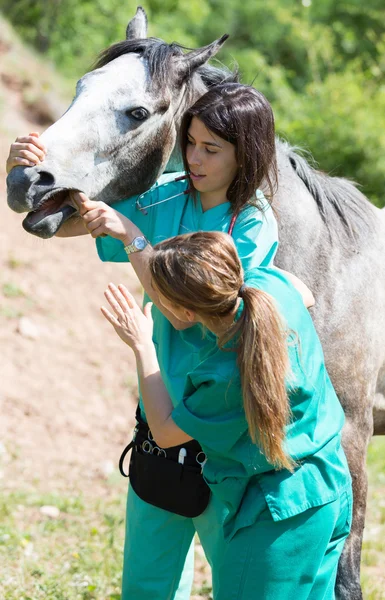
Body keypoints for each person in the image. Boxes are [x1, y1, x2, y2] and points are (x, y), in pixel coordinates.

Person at [6, 83, 313, 599]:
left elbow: (195, 313)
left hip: (221, 436)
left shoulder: (254, 226)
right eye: (189, 142)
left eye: (210, 149)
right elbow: (55, 224)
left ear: (248, 155)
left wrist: (134, 239)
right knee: (146, 585)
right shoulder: (169, 193)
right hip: (159, 414)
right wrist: (23, 174)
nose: (193, 158)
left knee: (236, 583)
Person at [101, 230, 352, 600]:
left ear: (186, 313)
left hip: (277, 518)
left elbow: (166, 433)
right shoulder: (267, 287)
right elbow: (305, 293)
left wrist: (143, 345)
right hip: (330, 487)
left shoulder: (223, 376)